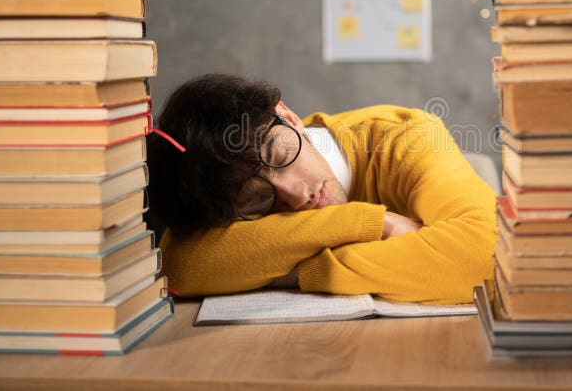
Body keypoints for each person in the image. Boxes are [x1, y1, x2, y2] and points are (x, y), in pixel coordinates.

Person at [147, 74, 496, 304]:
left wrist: (308, 270)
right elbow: (180, 265)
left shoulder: (409, 136)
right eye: (257, 197)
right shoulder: (236, 200)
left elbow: (488, 256)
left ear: (287, 115)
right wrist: (371, 223)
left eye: (280, 154)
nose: (295, 196)